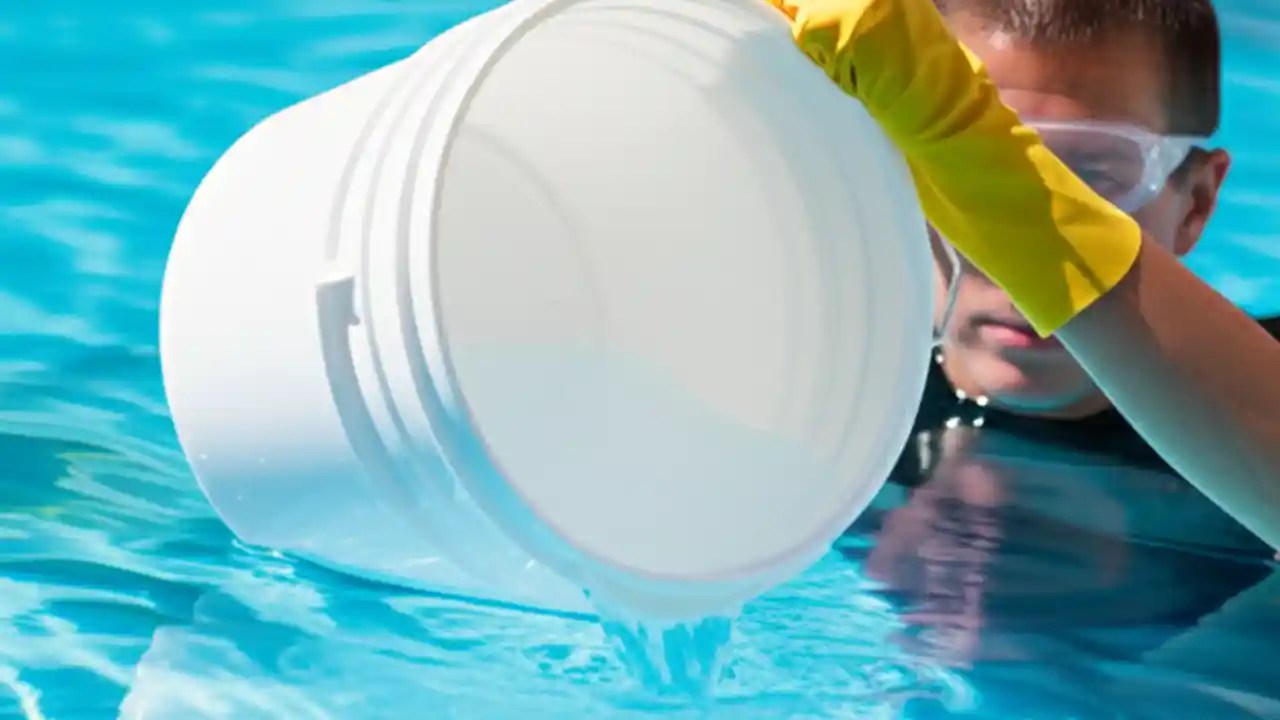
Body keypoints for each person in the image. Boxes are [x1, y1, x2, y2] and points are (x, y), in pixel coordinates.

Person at [764, 0, 1280, 548]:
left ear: (1196, 204)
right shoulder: (811, 373)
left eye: (1089, 178)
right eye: (952, 177)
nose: (1010, 264)